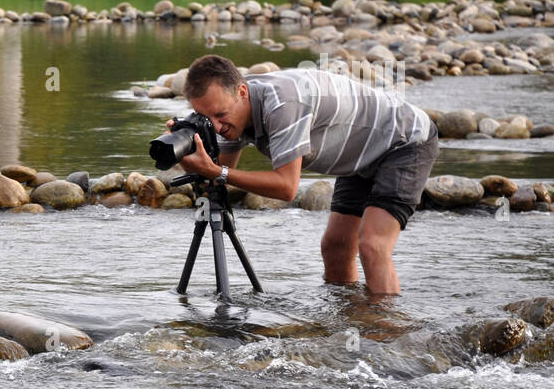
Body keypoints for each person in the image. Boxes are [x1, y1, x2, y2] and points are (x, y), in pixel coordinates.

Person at [170, 54, 439, 295]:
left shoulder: (283, 104)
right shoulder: (229, 114)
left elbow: (287, 188)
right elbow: (217, 178)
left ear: (242, 92)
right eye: (207, 119)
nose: (216, 127)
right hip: (359, 156)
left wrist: (218, 171)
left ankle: (387, 336)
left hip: (404, 141)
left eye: (220, 116)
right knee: (336, 247)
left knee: (372, 245)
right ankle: (344, 328)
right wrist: (188, 156)